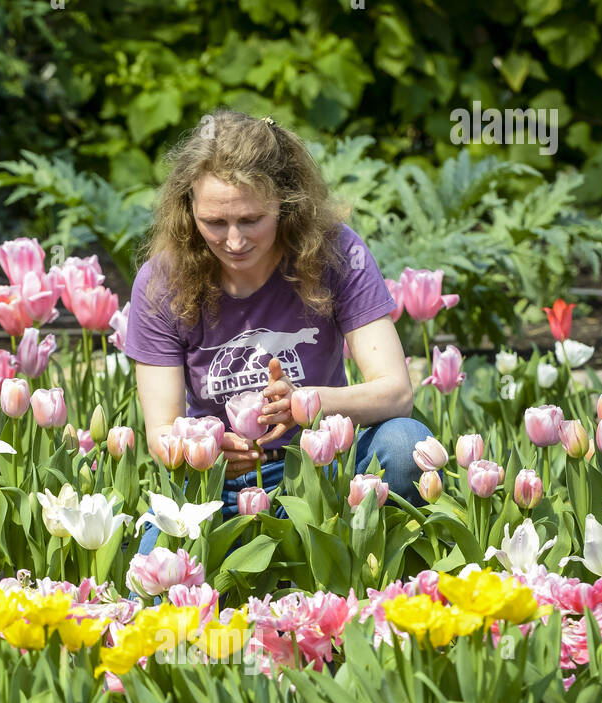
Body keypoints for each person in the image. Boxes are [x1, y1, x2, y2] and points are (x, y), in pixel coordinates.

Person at [124, 109, 434, 556]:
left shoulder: (335, 252)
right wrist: (207, 449)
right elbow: (161, 430)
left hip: (323, 467)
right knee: (153, 589)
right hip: (218, 487)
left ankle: (373, 571)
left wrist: (306, 405)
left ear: (285, 204)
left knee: (406, 443)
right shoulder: (162, 282)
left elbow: (395, 393)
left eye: (251, 220)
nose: (234, 241)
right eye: (214, 222)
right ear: (188, 208)